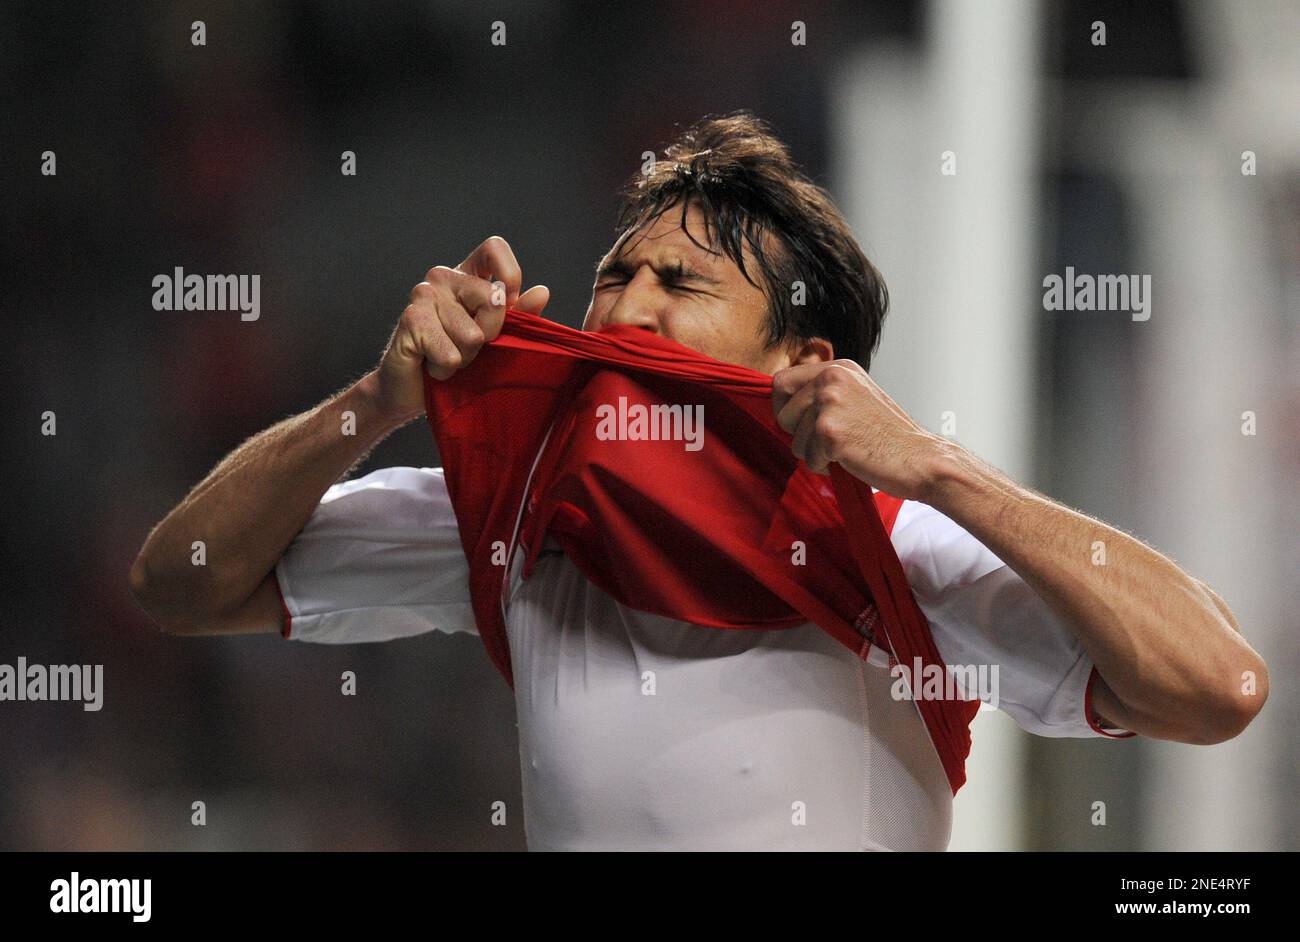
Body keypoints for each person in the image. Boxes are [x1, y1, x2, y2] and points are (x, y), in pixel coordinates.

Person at [129, 112, 1268, 850]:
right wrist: (372, 406)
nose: (623, 309)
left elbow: (1218, 685)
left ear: (803, 364)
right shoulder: (524, 520)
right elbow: (183, 585)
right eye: (610, 276)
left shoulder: (902, 553)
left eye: (677, 282)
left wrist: (941, 469)